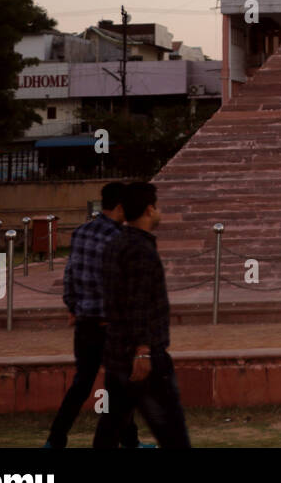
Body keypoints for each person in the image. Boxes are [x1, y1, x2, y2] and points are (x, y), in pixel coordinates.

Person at [44, 183, 141, 449]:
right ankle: (129, 442)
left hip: (85, 323)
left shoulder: (81, 232)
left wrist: (73, 307)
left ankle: (56, 439)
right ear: (120, 206)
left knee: (82, 384)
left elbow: (71, 273)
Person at [94, 182, 191, 448]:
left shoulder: (116, 243)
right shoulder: (140, 250)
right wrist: (143, 350)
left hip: (116, 351)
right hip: (141, 357)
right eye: (156, 207)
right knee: (171, 430)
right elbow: (138, 304)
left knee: (111, 427)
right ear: (149, 209)